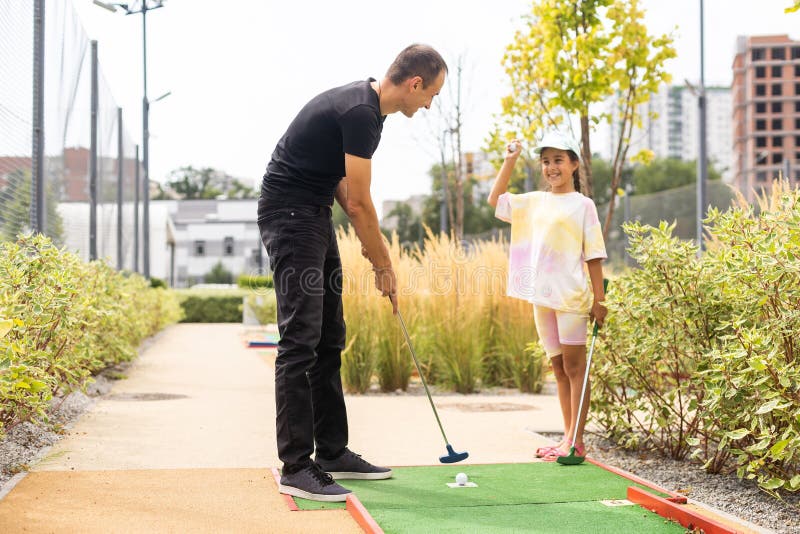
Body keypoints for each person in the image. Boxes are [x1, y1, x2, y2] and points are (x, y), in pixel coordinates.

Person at [257, 44, 447, 502]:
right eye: (432, 95)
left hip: (312, 214)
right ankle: (296, 466)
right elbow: (360, 202)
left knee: (329, 337)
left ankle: (332, 452)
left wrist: (368, 247)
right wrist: (384, 264)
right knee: (300, 341)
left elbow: (343, 184)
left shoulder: (368, 111)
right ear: (415, 84)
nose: (429, 105)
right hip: (291, 216)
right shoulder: (362, 113)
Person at [487, 132, 607, 461]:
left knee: (574, 366)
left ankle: (576, 442)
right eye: (545, 161)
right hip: (541, 297)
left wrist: (600, 299)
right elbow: (495, 200)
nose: (551, 167)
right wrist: (510, 159)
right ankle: (566, 437)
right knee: (557, 367)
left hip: (570, 297)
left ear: (573, 164)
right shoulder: (535, 202)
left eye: (557, 160)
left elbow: (594, 254)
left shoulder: (583, 205)